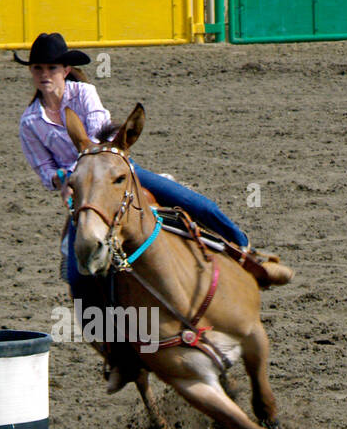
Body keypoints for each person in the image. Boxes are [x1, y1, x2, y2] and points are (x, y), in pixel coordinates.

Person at [15, 32, 289, 389]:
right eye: (38, 68)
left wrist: (91, 161)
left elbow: (101, 134)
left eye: (51, 67)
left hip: (114, 176)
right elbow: (45, 172)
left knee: (195, 204)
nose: (44, 74)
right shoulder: (30, 122)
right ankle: (117, 354)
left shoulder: (84, 94)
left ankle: (249, 258)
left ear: (66, 69)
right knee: (79, 277)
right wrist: (67, 177)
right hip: (85, 196)